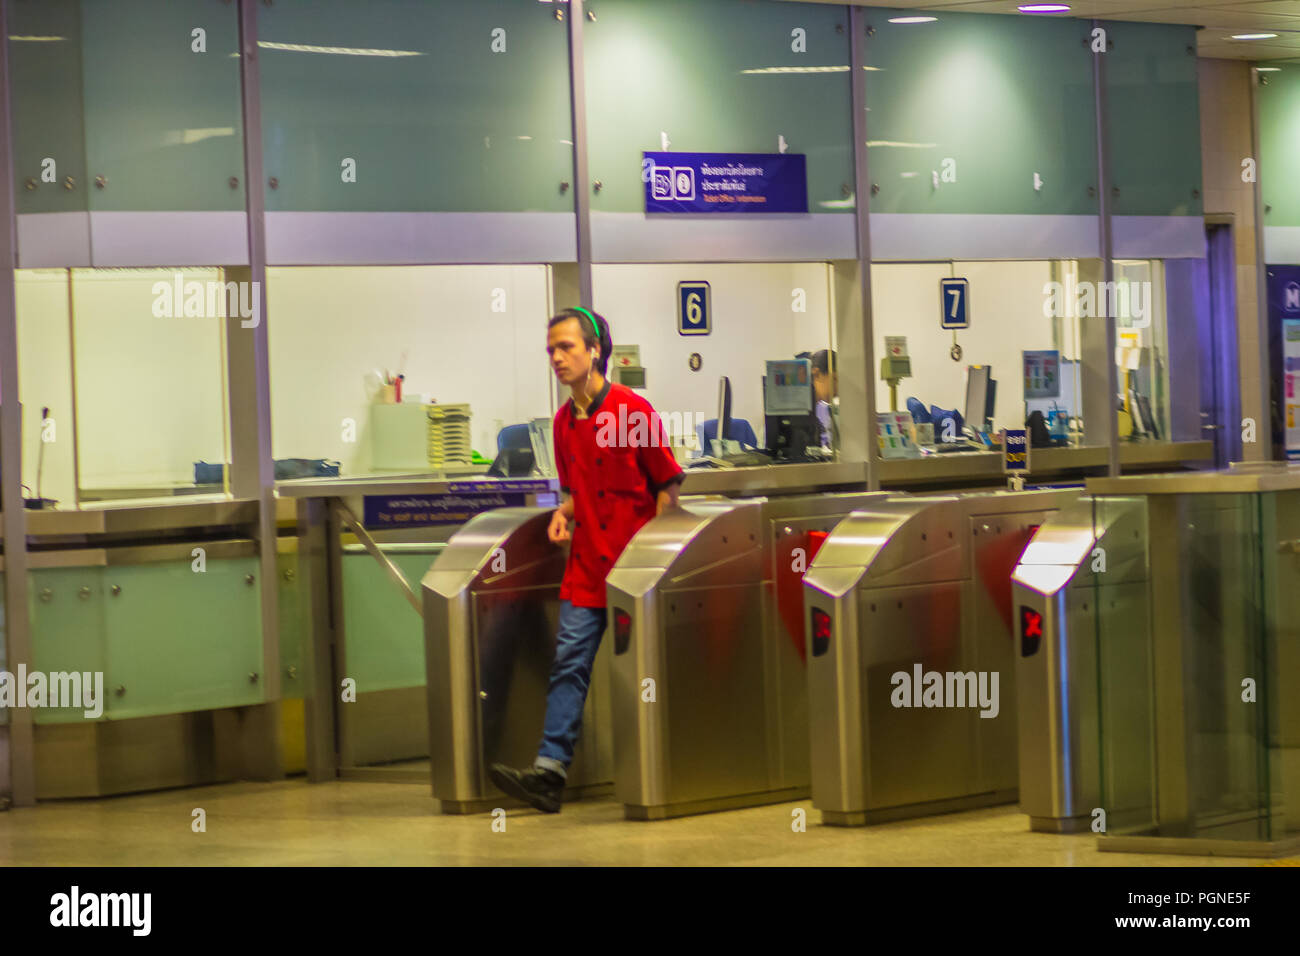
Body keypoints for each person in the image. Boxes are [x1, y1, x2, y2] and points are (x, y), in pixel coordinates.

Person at [488, 306, 684, 813]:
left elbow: (667, 485)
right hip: (587, 570)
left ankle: (665, 768)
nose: (556, 358)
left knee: (642, 673)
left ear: (596, 350)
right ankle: (549, 774)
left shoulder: (631, 412)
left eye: (567, 347)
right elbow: (581, 489)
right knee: (568, 665)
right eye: (551, 349)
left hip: (633, 571)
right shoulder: (561, 423)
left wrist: (656, 563)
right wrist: (564, 511)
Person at [798, 348, 838, 448]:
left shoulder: (823, 410)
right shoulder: (799, 410)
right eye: (835, 379)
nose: (838, 387)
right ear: (817, 374)